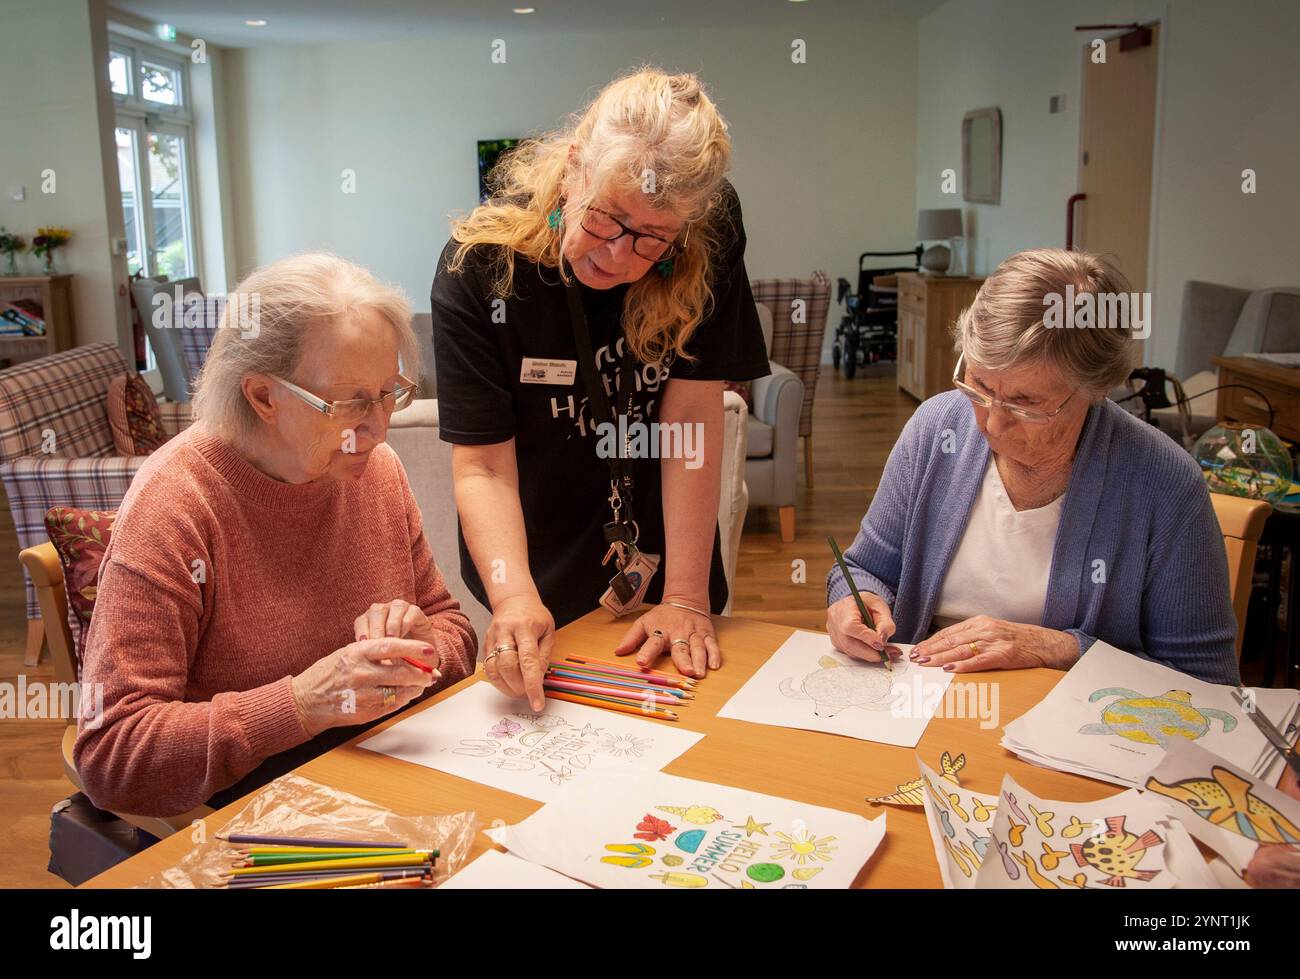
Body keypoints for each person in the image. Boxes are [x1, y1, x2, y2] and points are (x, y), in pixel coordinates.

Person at [75, 253, 477, 818]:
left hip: (382, 768)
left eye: (389, 392)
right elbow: (114, 756)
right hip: (254, 813)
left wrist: (423, 647)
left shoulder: (374, 468)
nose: (379, 428)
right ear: (263, 396)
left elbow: (454, 629)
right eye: (351, 403)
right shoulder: (174, 505)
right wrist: (304, 704)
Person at [431, 68, 769, 711]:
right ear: (573, 167)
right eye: (607, 219)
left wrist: (687, 596)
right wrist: (512, 599)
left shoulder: (712, 230)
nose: (618, 256)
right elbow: (483, 465)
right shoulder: (480, 269)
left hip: (667, 551)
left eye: (652, 240)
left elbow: (692, 414)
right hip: (535, 560)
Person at [826, 248, 1238, 685]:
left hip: (1069, 737)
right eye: (980, 387)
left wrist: (1057, 648)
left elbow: (1206, 681)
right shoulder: (938, 427)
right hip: (920, 707)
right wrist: (858, 600)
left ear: (1096, 389)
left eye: (1026, 404)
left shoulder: (1165, 484)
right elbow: (865, 568)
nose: (993, 423)